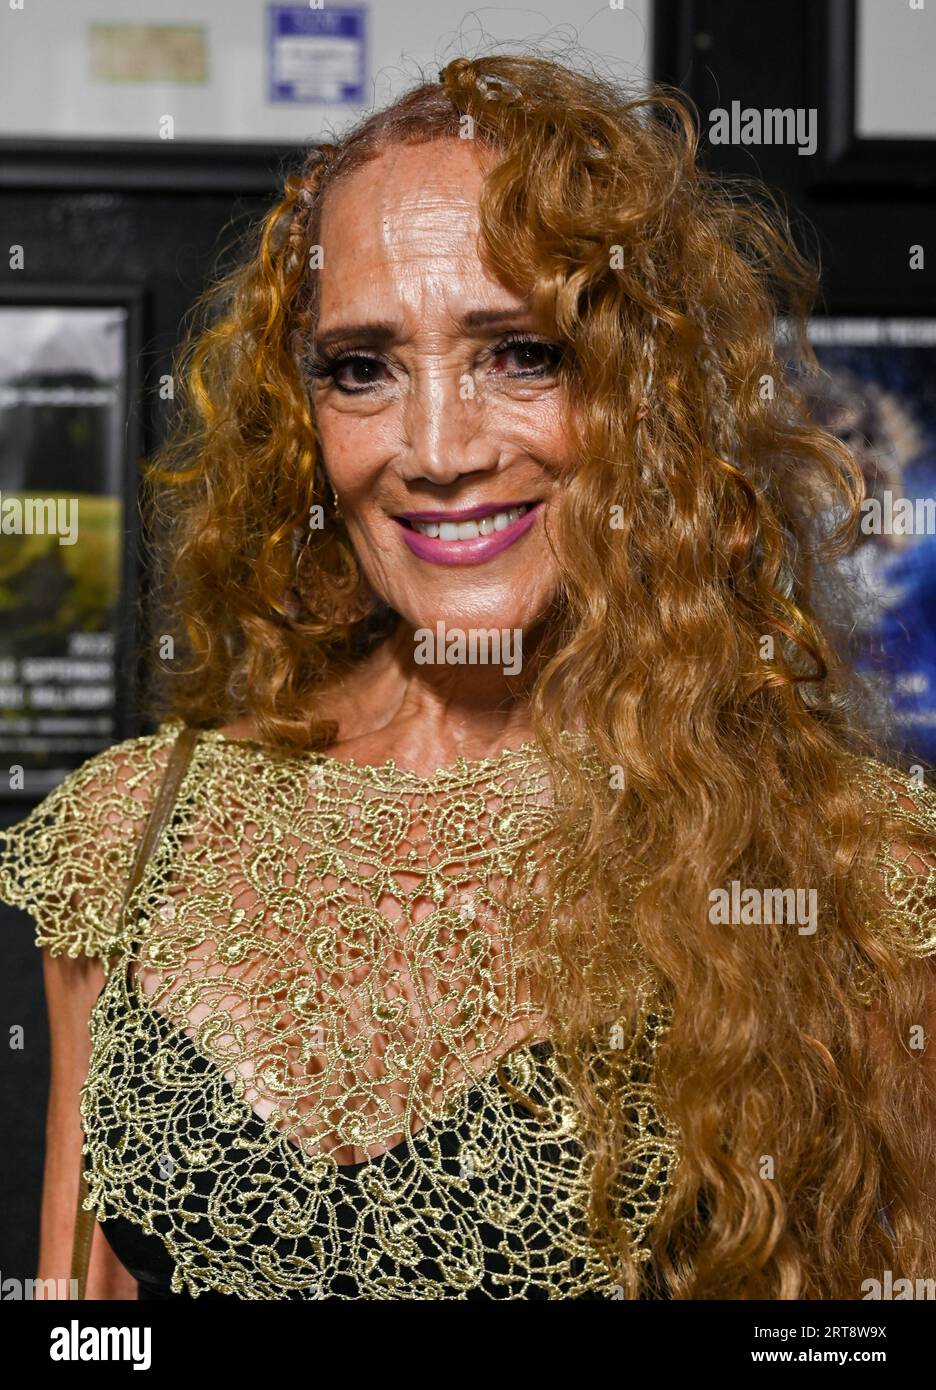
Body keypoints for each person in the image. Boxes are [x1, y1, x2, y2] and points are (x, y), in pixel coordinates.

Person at [2, 54, 934, 1301]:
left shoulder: (858, 873)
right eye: (362, 367)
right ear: (303, 414)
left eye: (522, 354)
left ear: (648, 395)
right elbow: (79, 1321)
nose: (437, 450)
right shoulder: (135, 834)